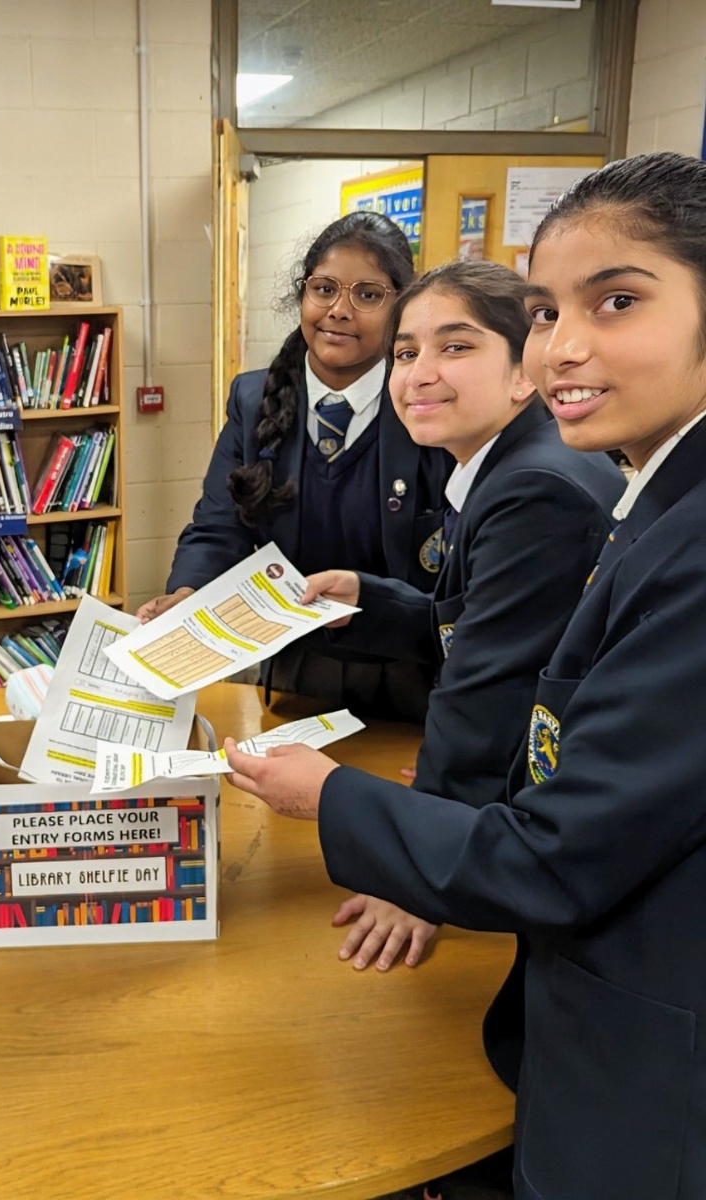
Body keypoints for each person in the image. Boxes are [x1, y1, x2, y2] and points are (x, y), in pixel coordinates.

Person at [224, 151, 706, 1199]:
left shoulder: (609, 509)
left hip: (643, 1074)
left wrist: (343, 807)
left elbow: (547, 816)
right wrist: (381, 600)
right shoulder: (641, 491)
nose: (565, 347)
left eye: (617, 301)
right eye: (546, 312)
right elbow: (508, 643)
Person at [309, 260, 622, 972]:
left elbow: (488, 687)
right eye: (406, 352)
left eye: (456, 346)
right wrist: (369, 599)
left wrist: (412, 867)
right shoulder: (506, 464)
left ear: (525, 372)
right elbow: (481, 622)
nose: (418, 374)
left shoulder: (535, 487)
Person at [139, 212, 451, 721]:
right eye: (324, 289)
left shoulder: (429, 400)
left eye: (368, 295)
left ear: (401, 308)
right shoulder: (253, 397)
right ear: (302, 296)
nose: (339, 311)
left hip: (413, 674)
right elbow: (220, 525)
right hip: (293, 670)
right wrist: (186, 596)